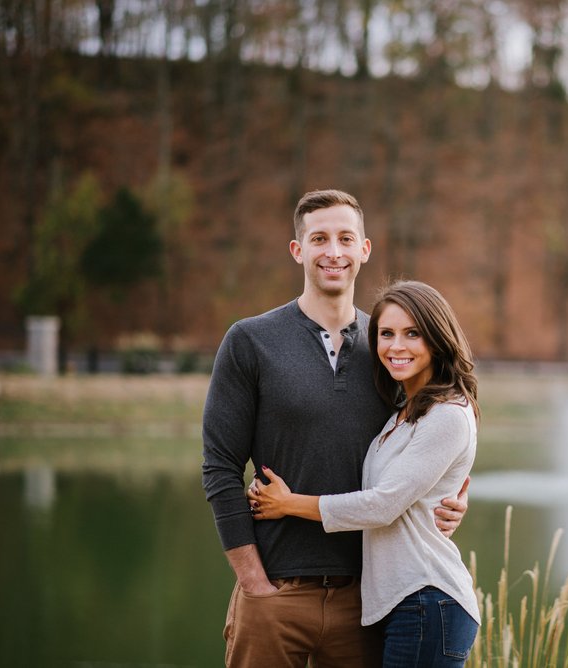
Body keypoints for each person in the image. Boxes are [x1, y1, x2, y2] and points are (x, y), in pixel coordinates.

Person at [201, 189, 469, 668]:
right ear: (297, 250)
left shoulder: (389, 350)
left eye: (346, 238)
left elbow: (430, 437)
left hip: (365, 603)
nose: (333, 252)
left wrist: (451, 499)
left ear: (364, 250)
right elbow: (220, 468)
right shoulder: (250, 341)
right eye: (319, 238)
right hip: (275, 591)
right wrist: (253, 583)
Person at [248, 280, 480, 667]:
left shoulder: (448, 414)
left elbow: (383, 504)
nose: (396, 346)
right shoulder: (403, 413)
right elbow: (415, 491)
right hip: (401, 604)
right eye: (386, 334)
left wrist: (289, 504)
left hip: (427, 598)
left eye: (412, 334)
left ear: (438, 339)